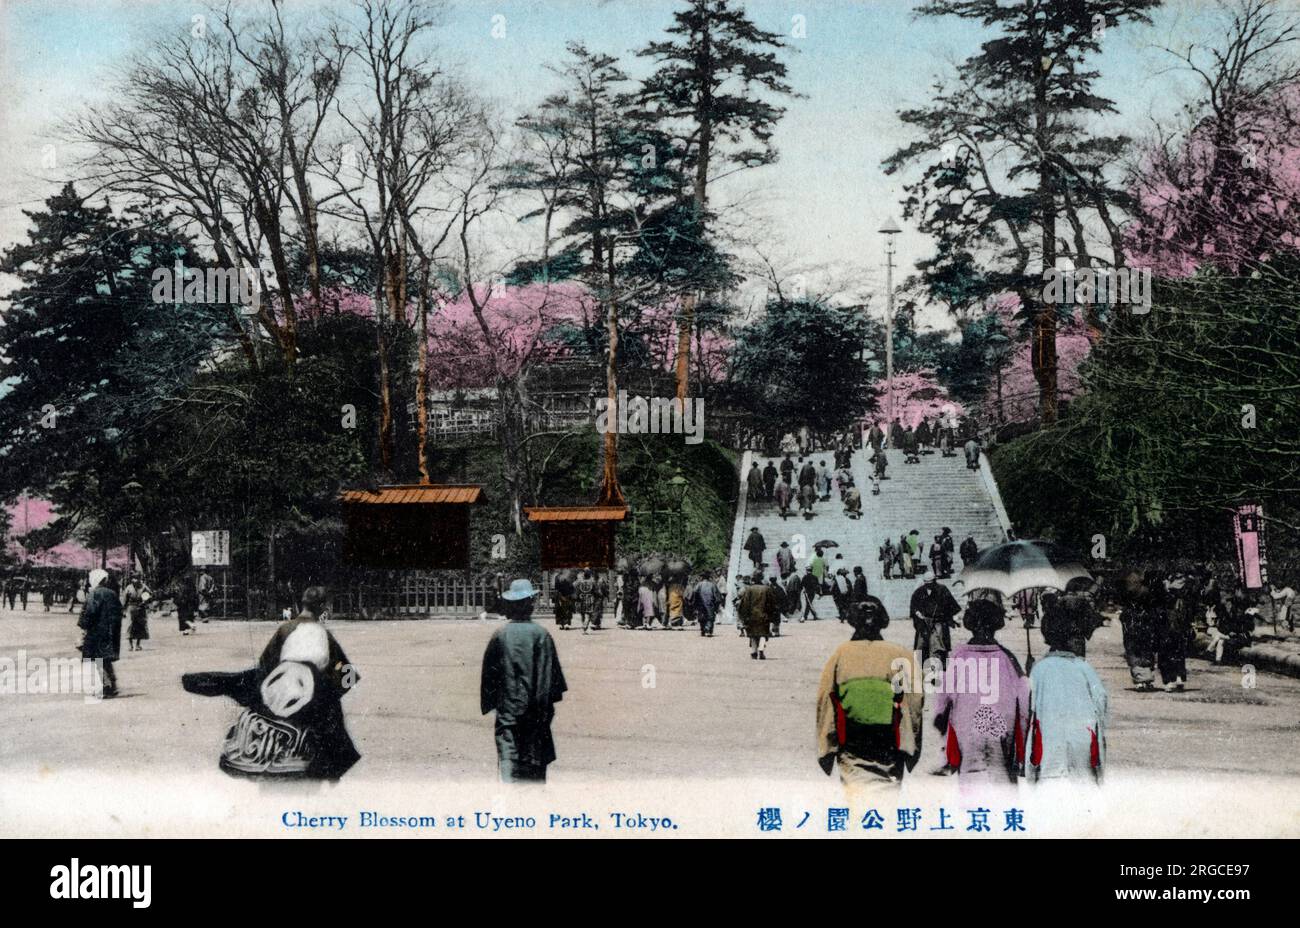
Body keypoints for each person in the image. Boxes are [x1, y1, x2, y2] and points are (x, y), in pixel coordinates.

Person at [181, 586, 361, 781]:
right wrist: (327, 694)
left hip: (279, 690)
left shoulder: (285, 629)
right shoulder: (324, 634)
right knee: (331, 726)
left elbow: (265, 664)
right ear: (322, 607)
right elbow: (348, 676)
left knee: (241, 681)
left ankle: (200, 681)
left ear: (303, 604)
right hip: (309, 694)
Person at [816, 597, 924, 803]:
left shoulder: (841, 654)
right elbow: (915, 701)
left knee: (857, 801)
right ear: (882, 619)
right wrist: (911, 746)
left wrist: (827, 746)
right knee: (888, 801)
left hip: (852, 743)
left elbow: (826, 700)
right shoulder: (899, 653)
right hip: (888, 743)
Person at [480, 579, 567, 783]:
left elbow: (489, 681)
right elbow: (551, 684)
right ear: (531, 604)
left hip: (508, 718)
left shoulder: (500, 636)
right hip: (536, 721)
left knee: (510, 776)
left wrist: (502, 707)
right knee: (535, 780)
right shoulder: (541, 635)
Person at [934, 599, 1029, 786]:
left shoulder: (959, 656)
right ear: (996, 625)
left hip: (966, 731)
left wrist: (945, 741)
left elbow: (941, 707)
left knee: (971, 783)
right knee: (1002, 783)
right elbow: (1024, 707)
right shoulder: (1007, 657)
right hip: (1001, 731)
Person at [1026, 598, 1108, 784]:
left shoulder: (1040, 669)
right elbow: (1101, 701)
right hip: (1082, 739)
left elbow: (1029, 707)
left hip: (1049, 741)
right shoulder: (1083, 668)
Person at [78, 568, 123, 698]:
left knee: (99, 659)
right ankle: (112, 685)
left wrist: (84, 627)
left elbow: (89, 613)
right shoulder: (112, 594)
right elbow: (119, 612)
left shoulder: (94, 594)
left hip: (97, 632)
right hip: (111, 632)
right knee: (106, 660)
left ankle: (107, 687)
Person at [910, 575, 961, 669]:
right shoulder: (919, 591)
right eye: (926, 584)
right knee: (921, 647)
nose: (928, 586)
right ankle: (922, 669)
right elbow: (914, 606)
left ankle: (938, 669)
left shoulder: (942, 589)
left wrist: (949, 618)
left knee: (937, 646)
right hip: (923, 623)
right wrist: (917, 613)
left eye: (930, 584)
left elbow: (951, 606)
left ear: (934, 581)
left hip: (938, 622)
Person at [736, 571, 777, 660]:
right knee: (763, 633)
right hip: (764, 614)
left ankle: (754, 652)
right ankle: (761, 648)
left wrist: (744, 615)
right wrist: (771, 614)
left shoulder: (749, 589)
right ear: (762, 578)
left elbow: (745, 603)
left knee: (753, 634)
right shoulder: (767, 589)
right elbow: (772, 603)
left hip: (752, 615)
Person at [123, 575, 151, 652]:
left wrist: (145, 600)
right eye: (134, 578)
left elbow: (150, 595)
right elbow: (125, 599)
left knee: (140, 625)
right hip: (131, 608)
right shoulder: (129, 588)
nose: (135, 580)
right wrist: (123, 610)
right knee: (130, 626)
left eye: (137, 578)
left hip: (141, 607)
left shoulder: (143, 587)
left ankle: (138, 644)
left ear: (139, 579)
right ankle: (130, 645)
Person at [693, 571, 722, 637]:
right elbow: (717, 596)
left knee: (702, 617)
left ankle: (703, 630)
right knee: (710, 617)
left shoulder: (699, 585)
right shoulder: (713, 585)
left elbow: (695, 593)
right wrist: (716, 605)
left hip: (701, 603)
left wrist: (695, 604)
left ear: (702, 577)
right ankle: (708, 630)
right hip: (710, 603)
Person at [574, 569, 597, 635]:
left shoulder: (579, 582)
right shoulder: (592, 582)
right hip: (590, 598)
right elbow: (595, 591)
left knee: (582, 613)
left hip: (581, 598)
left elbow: (575, 589)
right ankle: (585, 626)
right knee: (588, 614)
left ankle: (583, 627)